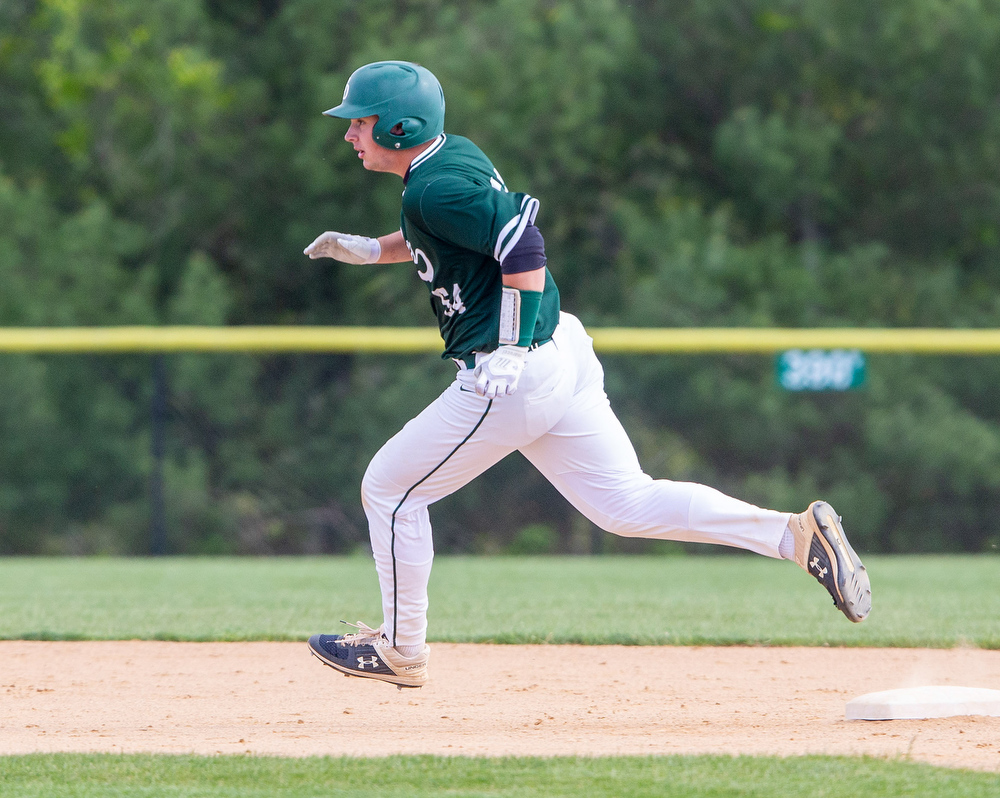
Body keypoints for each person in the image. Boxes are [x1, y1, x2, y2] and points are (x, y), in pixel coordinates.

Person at [304, 61, 872, 689]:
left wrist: (512, 348)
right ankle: (794, 537)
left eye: (360, 122)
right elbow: (462, 233)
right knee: (625, 503)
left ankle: (400, 649)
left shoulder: (430, 188)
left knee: (389, 489)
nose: (350, 134)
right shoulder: (448, 161)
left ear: (400, 127)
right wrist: (371, 248)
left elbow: (523, 247)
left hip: (510, 373)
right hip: (561, 352)